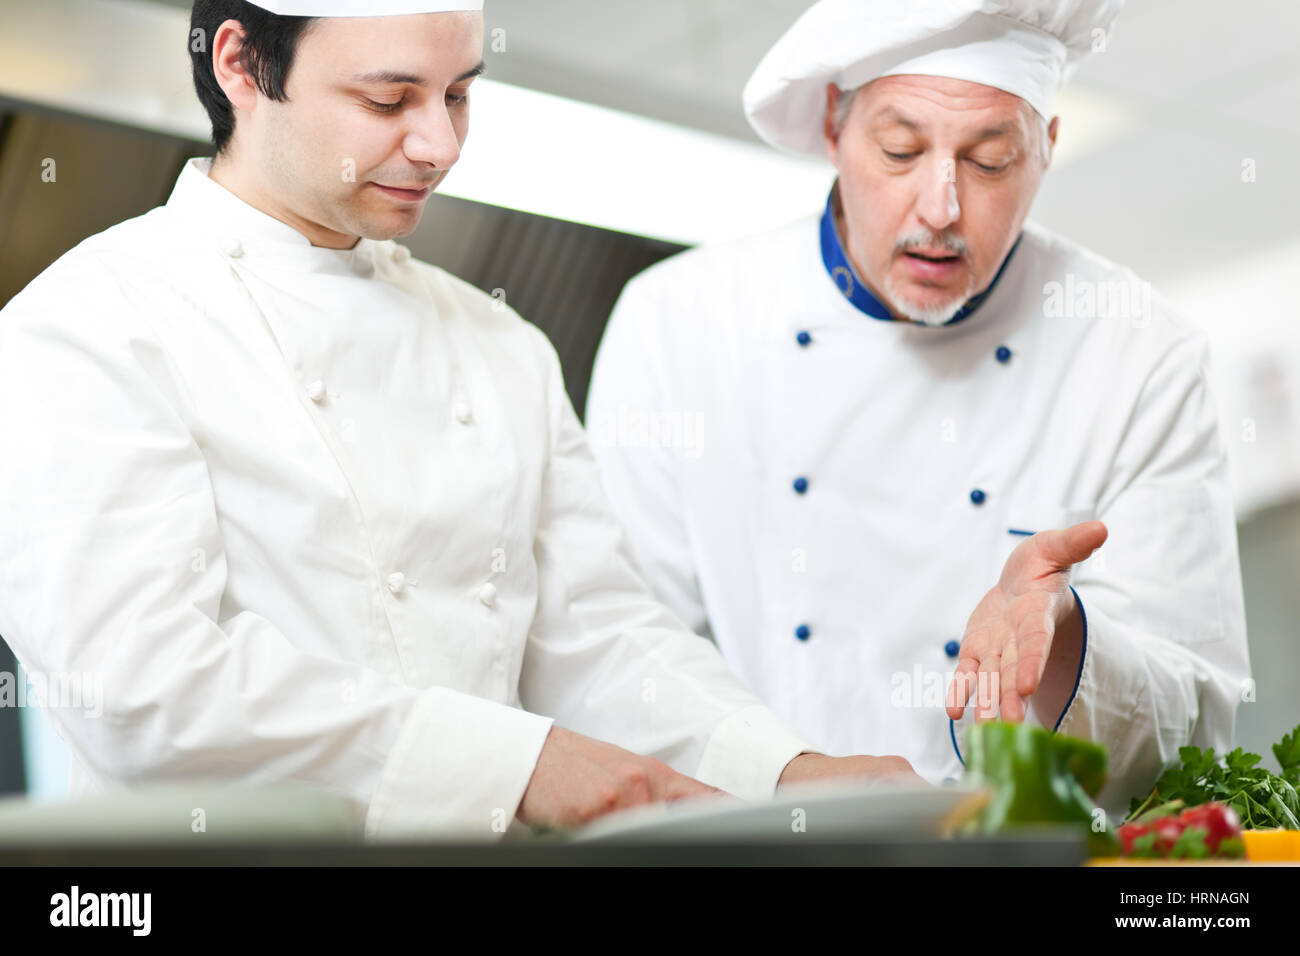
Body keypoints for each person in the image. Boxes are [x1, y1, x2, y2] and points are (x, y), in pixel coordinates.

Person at [0, 0, 940, 840]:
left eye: (458, 95)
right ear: (241, 65)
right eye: (388, 100)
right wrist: (520, 765)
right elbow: (144, 689)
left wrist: (788, 773)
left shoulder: (502, 345)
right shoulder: (91, 324)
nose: (439, 145)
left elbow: (601, 640)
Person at [586, 0, 1251, 813]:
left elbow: (1200, 739)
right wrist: (790, 775)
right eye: (900, 150)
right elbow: (620, 660)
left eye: (992, 160)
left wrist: (1072, 639)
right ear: (834, 123)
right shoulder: (678, 323)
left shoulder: (1139, 353)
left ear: (1048, 147)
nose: (941, 208)